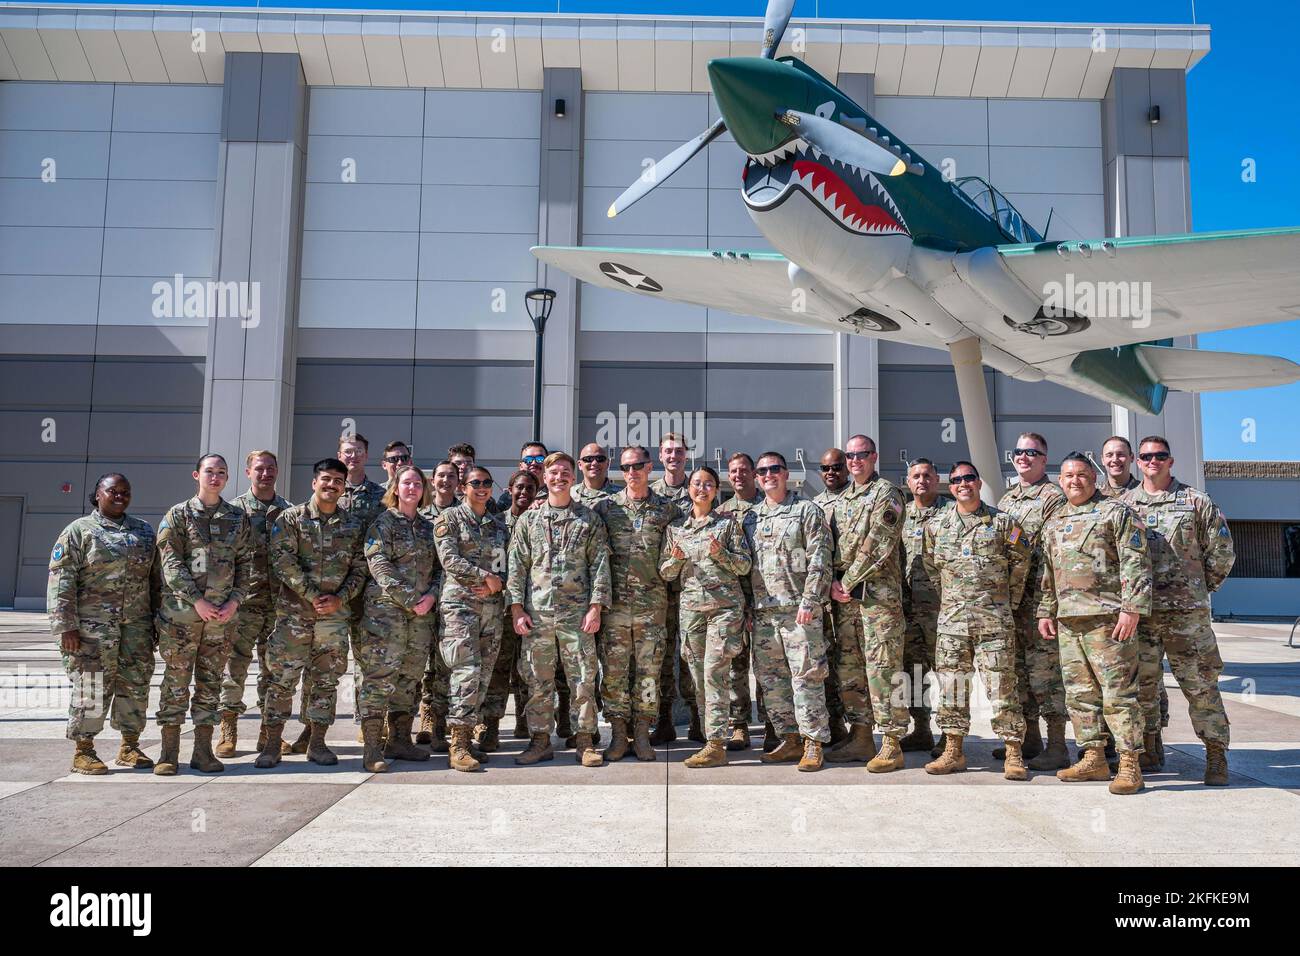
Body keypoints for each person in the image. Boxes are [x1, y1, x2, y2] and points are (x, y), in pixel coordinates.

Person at [1122, 436, 1236, 785]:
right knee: (1141, 688)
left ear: (1170, 461)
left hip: (1187, 616)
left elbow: (1222, 552)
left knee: (1201, 685)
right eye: (1146, 456)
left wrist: (1200, 588)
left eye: (1160, 456)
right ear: (1137, 463)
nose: (1152, 461)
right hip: (1141, 615)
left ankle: (1215, 754)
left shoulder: (1195, 501)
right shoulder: (1124, 504)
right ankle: (1146, 751)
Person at [1037, 453, 1151, 795]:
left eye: (1082, 475)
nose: (1075, 480)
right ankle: (1094, 757)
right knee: (1080, 694)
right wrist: (1046, 610)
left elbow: (1136, 562)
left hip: (1108, 619)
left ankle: (1130, 762)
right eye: (1069, 475)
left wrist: (1131, 608)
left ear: (1093, 478)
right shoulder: (1054, 520)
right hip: (1069, 620)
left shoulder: (1116, 512)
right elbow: (1049, 573)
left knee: (1118, 693)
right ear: (1060, 481)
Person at [922, 462, 1032, 780]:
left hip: (994, 623)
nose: (963, 484)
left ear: (979, 482)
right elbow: (932, 568)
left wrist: (1006, 602)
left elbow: (1021, 563)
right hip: (953, 624)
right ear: (950, 487)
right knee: (952, 688)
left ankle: (1013, 752)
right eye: (956, 480)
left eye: (969, 478)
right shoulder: (937, 525)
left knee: (1003, 687)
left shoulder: (1004, 523)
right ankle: (954, 751)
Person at [256, 458, 368, 768]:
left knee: (326, 682)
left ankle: (317, 742)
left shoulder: (353, 525)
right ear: (313, 482)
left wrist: (339, 598)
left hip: (333, 618)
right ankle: (271, 744)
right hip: (294, 617)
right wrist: (313, 595)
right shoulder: (291, 519)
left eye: (338, 481)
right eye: (326, 479)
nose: (331, 485)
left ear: (344, 487)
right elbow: (283, 562)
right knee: (281, 680)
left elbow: (360, 569)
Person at [48, 473, 159, 774]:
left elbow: (156, 582)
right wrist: (65, 627)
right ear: (98, 494)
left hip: (136, 628)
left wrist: (158, 625)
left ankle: (130, 745)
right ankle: (84, 750)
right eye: (113, 491)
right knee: (92, 687)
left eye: (126, 491)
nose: (120, 496)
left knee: (135, 684)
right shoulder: (79, 531)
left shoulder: (144, 532)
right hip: (91, 631)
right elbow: (61, 581)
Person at [507, 452, 612, 767]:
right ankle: (540, 741)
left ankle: (584, 741)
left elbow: (600, 566)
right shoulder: (529, 520)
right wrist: (515, 609)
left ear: (573, 477)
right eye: (553, 472)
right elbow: (517, 567)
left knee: (583, 679)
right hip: (537, 615)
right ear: (545, 478)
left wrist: (595, 608)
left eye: (565, 472)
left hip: (576, 616)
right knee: (539, 681)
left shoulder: (589, 519)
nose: (559, 477)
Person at [153, 454, 252, 775]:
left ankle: (203, 751)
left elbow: (246, 565)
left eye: (221, 472)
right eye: (210, 471)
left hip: (222, 620)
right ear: (197, 475)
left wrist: (235, 601)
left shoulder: (237, 518)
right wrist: (197, 601)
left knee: (211, 683)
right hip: (182, 617)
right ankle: (168, 753)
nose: (215, 477)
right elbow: (171, 564)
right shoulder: (178, 516)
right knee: (176, 682)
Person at [741, 451, 833, 771]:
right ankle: (790, 738)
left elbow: (820, 560)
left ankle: (813, 741)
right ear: (757, 477)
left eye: (775, 469)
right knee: (773, 681)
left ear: (786, 473)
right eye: (763, 471)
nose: (769, 475)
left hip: (798, 611)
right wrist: (748, 609)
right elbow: (745, 567)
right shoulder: (751, 517)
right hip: (764, 613)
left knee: (807, 677)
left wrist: (810, 601)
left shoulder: (806, 510)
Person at [825, 435, 910, 772]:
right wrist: (834, 582)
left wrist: (845, 582)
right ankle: (861, 736)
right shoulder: (843, 499)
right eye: (850, 455)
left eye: (862, 454)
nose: (855, 460)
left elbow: (879, 544)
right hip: (846, 603)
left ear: (874, 457)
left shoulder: (887, 494)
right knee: (851, 669)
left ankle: (892, 742)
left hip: (878, 601)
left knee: (884, 669)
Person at [592, 446, 683, 761]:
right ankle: (619, 735)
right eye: (627, 467)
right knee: (615, 673)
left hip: (652, 608)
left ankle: (642, 733)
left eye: (638, 466)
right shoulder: (607, 508)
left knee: (648, 673)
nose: (632, 472)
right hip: (615, 608)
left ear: (649, 467)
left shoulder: (667, 510)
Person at [660, 466, 752, 768]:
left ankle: (716, 742)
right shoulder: (676, 529)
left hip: (724, 609)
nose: (702, 489)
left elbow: (744, 566)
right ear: (689, 489)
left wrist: (721, 553)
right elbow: (666, 572)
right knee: (699, 677)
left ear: (716, 490)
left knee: (715, 671)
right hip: (691, 612)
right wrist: (674, 560)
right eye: (697, 484)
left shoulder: (727, 525)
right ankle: (709, 736)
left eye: (709, 484)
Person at [356, 464, 440, 772]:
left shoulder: (430, 528)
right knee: (379, 679)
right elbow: (377, 562)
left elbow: (441, 570)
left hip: (420, 618)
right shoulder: (384, 523)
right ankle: (372, 747)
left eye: (417, 483)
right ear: (396, 487)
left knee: (409, 678)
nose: (412, 488)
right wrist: (410, 598)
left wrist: (430, 597)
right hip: (386, 615)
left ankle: (400, 740)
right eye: (406, 483)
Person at [996, 431, 1070, 771]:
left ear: (1044, 458)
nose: (1023, 456)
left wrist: (1048, 605)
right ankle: (1030, 739)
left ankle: (1057, 745)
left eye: (1031, 452)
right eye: (1018, 451)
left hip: (1042, 597)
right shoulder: (1007, 500)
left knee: (1046, 674)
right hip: (1013, 599)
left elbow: (1055, 551)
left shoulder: (1054, 497)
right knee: (1019, 671)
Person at [434, 465, 510, 772]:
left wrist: (498, 581)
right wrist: (485, 576)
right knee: (465, 670)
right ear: (463, 487)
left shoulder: (498, 526)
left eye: (486, 483)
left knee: (483, 674)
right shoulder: (449, 519)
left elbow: (505, 564)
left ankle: (470, 735)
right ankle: (459, 743)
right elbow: (449, 559)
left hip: (491, 608)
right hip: (460, 607)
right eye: (475, 482)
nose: (481, 487)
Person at [218, 450, 291, 758]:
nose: (266, 474)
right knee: (235, 666)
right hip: (243, 603)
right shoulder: (234, 511)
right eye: (259, 469)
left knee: (274, 670)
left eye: (271, 468)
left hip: (279, 604)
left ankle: (268, 732)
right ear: (248, 472)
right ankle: (228, 727)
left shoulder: (289, 511)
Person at [480, 470, 540, 747]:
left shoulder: (539, 522)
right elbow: (495, 566)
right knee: (498, 668)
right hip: (502, 609)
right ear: (509, 489)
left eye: (530, 488)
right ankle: (490, 726)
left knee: (529, 668)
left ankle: (524, 722)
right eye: (519, 487)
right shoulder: (497, 524)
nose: (524, 493)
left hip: (534, 607)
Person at [899, 458, 949, 755]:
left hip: (942, 610)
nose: (922, 481)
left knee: (948, 673)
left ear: (937, 479)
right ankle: (921, 729)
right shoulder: (900, 515)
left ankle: (950, 734)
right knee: (912, 673)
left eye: (927, 475)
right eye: (916, 476)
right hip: (907, 608)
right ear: (908, 482)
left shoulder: (951, 512)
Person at [717, 452, 767, 750]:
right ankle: (739, 725)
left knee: (767, 664)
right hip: (733, 598)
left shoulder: (768, 506)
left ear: (754, 473)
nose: (738, 476)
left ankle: (773, 722)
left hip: (766, 596)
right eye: (733, 471)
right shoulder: (722, 512)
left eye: (743, 470)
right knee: (736, 664)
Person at [649, 432, 695, 744]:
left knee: (690, 656)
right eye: (668, 451)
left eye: (678, 451)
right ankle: (663, 719)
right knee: (662, 658)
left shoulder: (699, 488)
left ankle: (698, 719)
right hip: (659, 591)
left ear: (686, 455)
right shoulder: (651, 493)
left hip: (693, 589)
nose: (673, 456)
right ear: (660, 456)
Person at [415, 460, 462, 750]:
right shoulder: (420, 515)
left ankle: (442, 724)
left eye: (451, 476)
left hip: (454, 599)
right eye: (441, 476)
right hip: (423, 598)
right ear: (433, 480)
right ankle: (427, 718)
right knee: (424, 666)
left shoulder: (463, 513)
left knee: (447, 663)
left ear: (459, 481)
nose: (445, 481)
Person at [811, 447, 851, 748]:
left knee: (851, 664)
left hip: (852, 592)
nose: (831, 473)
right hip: (824, 594)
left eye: (837, 467)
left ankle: (859, 730)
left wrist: (843, 581)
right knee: (824, 661)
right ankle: (833, 724)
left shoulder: (859, 499)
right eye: (825, 469)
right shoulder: (813, 506)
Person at [496, 441, 548, 511]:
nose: (534, 463)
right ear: (521, 466)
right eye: (528, 460)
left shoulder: (557, 494)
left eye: (540, 459)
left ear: (547, 463)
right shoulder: (508, 497)